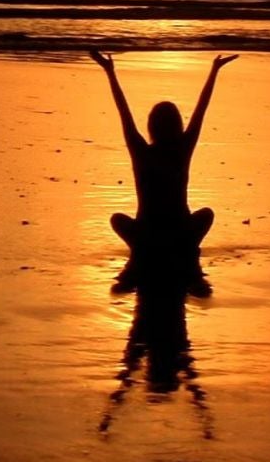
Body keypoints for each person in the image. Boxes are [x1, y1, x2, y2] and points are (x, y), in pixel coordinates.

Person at [89, 50, 238, 295]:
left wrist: (110, 72)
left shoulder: (141, 150)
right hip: (180, 233)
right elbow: (201, 110)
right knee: (206, 214)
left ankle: (149, 253)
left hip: (147, 235)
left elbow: (123, 113)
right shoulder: (182, 149)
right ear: (177, 125)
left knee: (117, 219)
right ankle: (183, 252)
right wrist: (213, 71)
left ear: (151, 126)